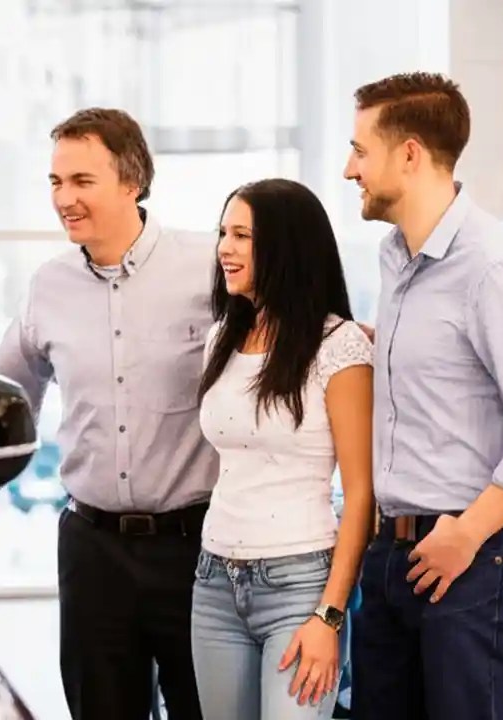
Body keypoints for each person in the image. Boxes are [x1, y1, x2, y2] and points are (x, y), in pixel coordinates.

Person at [0, 107, 217, 720]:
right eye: (56, 182)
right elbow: (2, 406)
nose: (64, 198)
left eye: (82, 181)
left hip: (195, 551)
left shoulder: (209, 270)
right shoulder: (48, 287)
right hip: (94, 552)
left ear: (132, 181)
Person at [343, 71, 503, 719]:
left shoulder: (497, 268)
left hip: (479, 557)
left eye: (361, 150)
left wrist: (466, 534)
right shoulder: (398, 260)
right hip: (395, 555)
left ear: (409, 153)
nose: (348, 168)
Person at [190, 178, 374, 719]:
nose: (225, 247)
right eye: (223, 232)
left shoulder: (339, 345)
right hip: (215, 579)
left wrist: (329, 616)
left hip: (299, 585)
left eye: (242, 235)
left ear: (286, 246)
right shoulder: (220, 337)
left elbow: (360, 495)